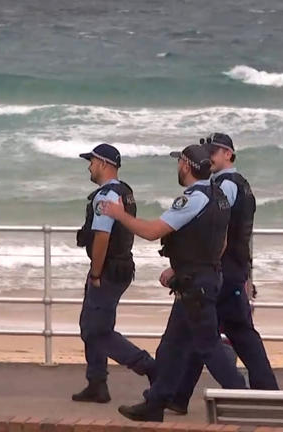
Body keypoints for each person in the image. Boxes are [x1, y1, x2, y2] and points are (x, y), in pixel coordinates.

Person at [101, 143, 246, 422]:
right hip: (198, 279)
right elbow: (222, 241)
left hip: (195, 284)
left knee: (209, 347)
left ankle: (243, 398)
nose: (177, 167)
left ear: (187, 166)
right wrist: (185, 267)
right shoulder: (219, 196)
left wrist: (120, 215)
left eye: (179, 162)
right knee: (170, 347)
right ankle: (156, 403)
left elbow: (153, 231)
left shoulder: (192, 199)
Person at [166, 134, 278, 414]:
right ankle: (267, 393)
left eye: (213, 152)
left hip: (218, 272)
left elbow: (217, 230)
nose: (209, 158)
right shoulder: (241, 185)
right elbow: (243, 236)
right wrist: (247, 274)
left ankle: (250, 393)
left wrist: (184, 265)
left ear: (228, 154)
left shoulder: (225, 186)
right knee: (212, 334)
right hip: (232, 271)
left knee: (212, 334)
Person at [71, 144, 156, 404]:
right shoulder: (125, 192)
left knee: (98, 331)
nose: (89, 166)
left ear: (105, 164)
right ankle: (96, 384)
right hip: (121, 266)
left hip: (107, 270)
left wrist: (95, 273)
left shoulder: (106, 195)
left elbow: (101, 237)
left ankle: (149, 367)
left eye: (92, 161)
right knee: (91, 326)